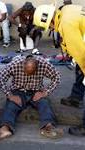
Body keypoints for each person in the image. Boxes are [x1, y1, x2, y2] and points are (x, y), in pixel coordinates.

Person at [33, 3, 85, 136]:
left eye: (48, 26)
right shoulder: (66, 10)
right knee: (80, 68)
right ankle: (76, 97)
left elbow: (82, 56)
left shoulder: (66, 26)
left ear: (50, 21)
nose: (50, 29)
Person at [0, 55, 63, 140]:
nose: (29, 74)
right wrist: (10, 95)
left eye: (32, 72)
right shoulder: (15, 64)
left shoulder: (44, 64)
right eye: (26, 71)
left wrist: (45, 92)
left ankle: (48, 127)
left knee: (44, 104)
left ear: (37, 66)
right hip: (18, 91)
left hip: (36, 91)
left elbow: (57, 77)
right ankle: (4, 129)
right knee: (11, 106)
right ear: (23, 65)